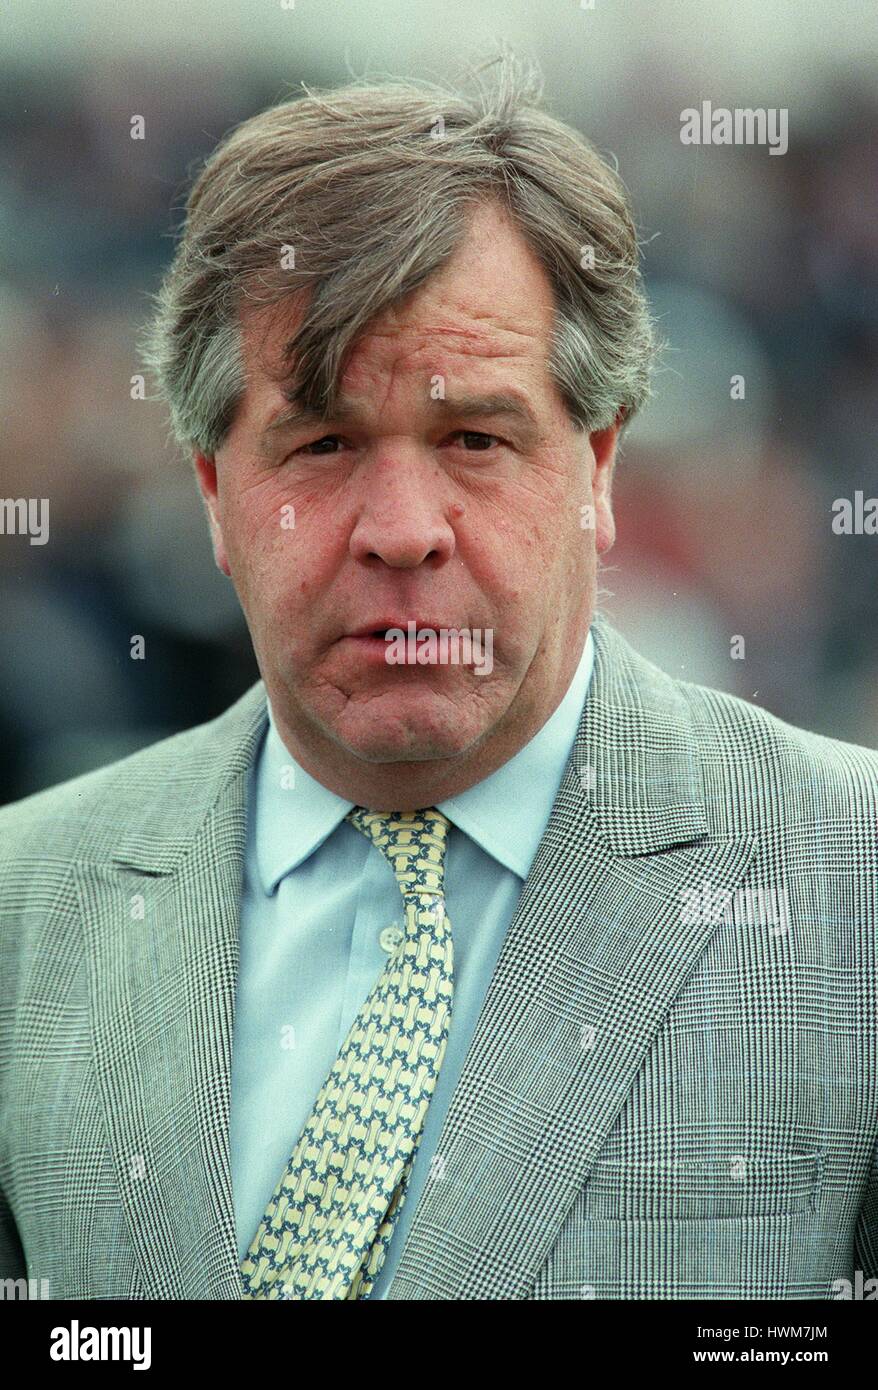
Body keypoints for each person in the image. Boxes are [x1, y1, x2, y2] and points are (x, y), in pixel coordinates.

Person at [1, 56, 875, 1301]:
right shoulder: (24, 908)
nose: (401, 527)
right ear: (211, 491)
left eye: (474, 437)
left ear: (597, 468)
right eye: (320, 443)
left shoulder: (852, 884)